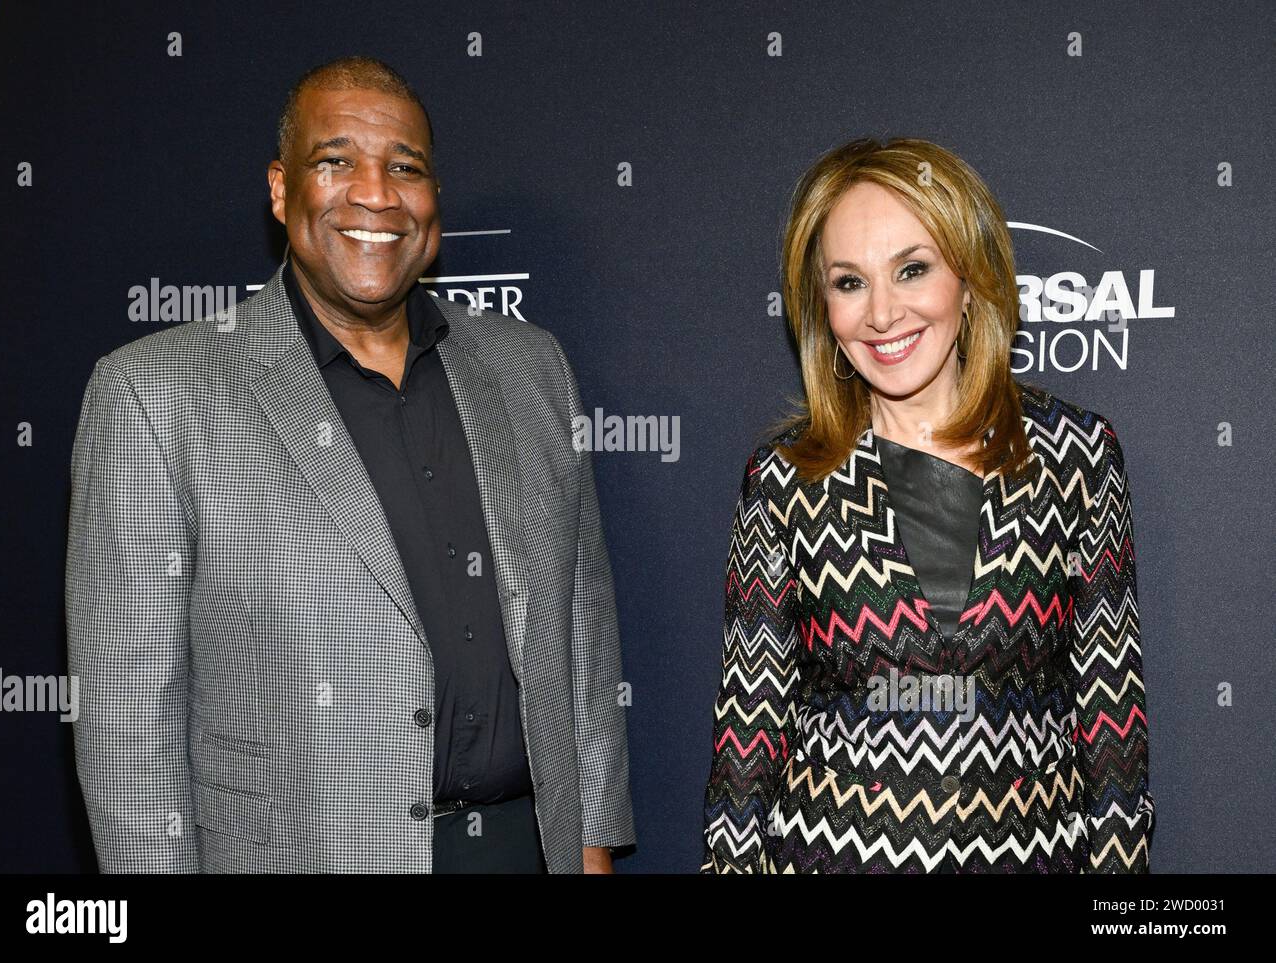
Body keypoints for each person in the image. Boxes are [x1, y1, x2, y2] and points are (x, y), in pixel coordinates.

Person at [65, 56, 634, 873]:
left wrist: (591, 845)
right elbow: (127, 721)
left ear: (434, 200)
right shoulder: (154, 394)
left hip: (522, 847)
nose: (376, 193)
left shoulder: (531, 365)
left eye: (405, 167)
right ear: (279, 188)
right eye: (336, 162)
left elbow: (583, 626)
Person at [700, 137, 1154, 873]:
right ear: (821, 306)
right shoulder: (785, 478)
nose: (882, 313)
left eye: (912, 269)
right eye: (849, 282)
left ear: (971, 278)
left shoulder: (1075, 455)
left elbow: (1111, 722)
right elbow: (748, 730)